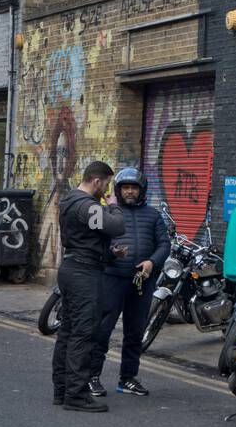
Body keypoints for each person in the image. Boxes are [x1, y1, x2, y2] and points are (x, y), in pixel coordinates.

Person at [88, 167, 170, 398]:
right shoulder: (103, 212)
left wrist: (152, 262)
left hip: (141, 281)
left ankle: (128, 378)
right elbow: (95, 244)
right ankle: (91, 377)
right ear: (118, 190)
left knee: (135, 332)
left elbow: (164, 244)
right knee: (102, 329)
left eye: (134, 187)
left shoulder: (153, 215)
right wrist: (112, 253)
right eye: (126, 187)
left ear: (142, 190)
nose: (130, 192)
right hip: (112, 279)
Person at [52, 161, 128, 412]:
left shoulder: (70, 201)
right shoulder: (86, 205)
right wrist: (114, 205)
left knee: (69, 331)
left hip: (74, 267)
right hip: (83, 273)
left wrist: (109, 254)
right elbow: (116, 226)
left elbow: (86, 238)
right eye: (106, 184)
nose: (107, 189)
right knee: (83, 333)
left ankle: (62, 390)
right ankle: (76, 395)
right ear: (97, 181)